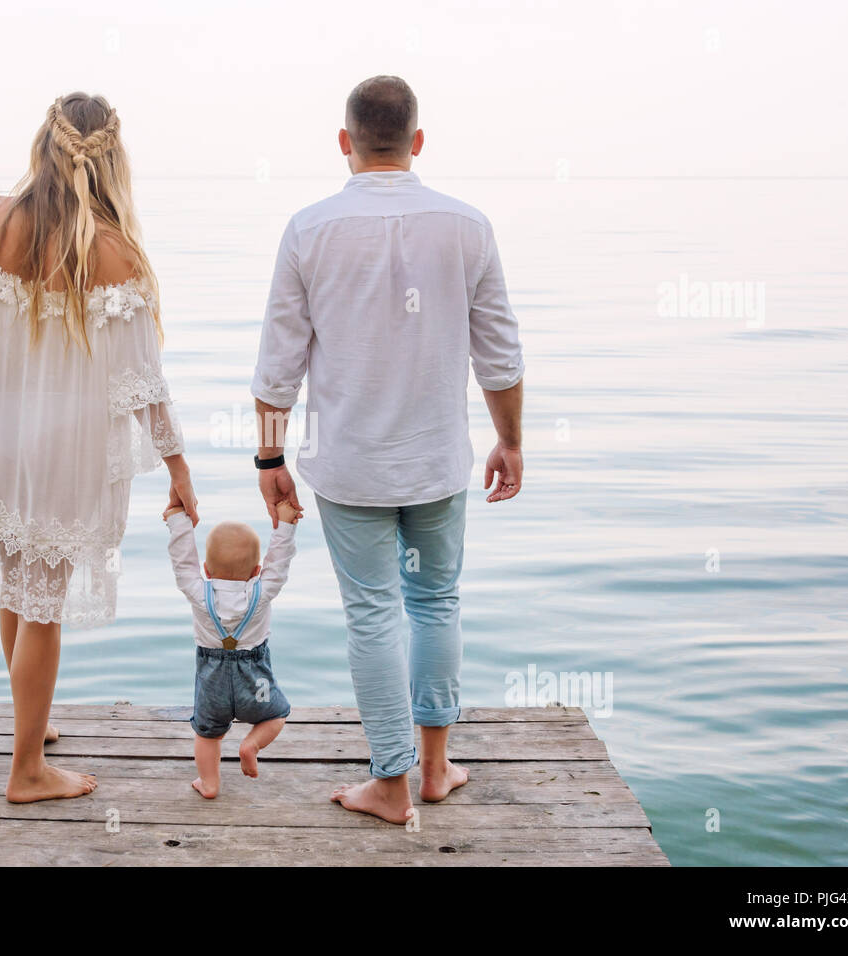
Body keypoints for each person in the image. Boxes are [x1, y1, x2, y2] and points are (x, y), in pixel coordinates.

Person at [0, 92, 198, 804]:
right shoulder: (113, 252)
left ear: (41, 145)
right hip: (63, 452)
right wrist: (178, 466)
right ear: (111, 163)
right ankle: (27, 773)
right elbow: (143, 385)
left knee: (18, 583)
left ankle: (28, 730)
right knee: (42, 604)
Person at [250, 76, 525, 823]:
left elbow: (277, 371)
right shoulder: (467, 226)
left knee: (372, 614)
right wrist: (510, 440)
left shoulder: (309, 228)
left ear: (345, 143)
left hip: (351, 464)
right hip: (437, 461)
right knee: (436, 602)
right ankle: (434, 770)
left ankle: (392, 785)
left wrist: (270, 464)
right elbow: (500, 356)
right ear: (418, 141)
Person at [162, 500, 300, 799]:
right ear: (256, 570)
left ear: (207, 570)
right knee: (277, 715)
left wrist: (178, 521)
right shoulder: (262, 592)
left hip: (213, 683)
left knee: (207, 734)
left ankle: (209, 784)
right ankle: (251, 745)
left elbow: (182, 561)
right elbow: (280, 561)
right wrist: (286, 523)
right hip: (256, 682)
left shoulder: (199, 594)